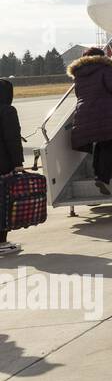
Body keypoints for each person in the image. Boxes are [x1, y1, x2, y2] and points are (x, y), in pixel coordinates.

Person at [68, 48, 112, 197]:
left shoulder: (79, 74)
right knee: (107, 145)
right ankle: (103, 178)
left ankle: (98, 175)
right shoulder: (105, 68)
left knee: (98, 145)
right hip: (105, 112)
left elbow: (79, 94)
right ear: (101, 57)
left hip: (84, 113)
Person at [0, 78, 25, 254]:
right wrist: (18, 163)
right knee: (4, 203)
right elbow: (12, 140)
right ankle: (1, 242)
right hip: (3, 165)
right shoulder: (7, 111)